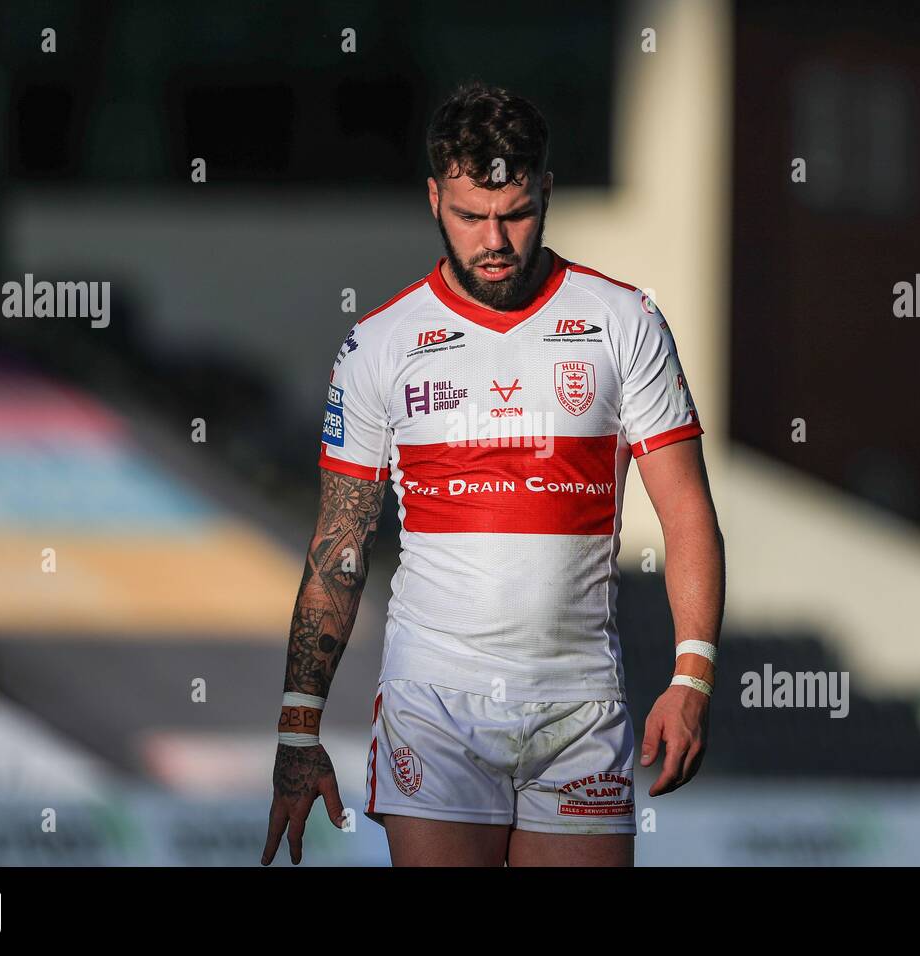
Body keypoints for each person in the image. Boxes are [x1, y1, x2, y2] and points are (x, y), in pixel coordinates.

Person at [261, 81, 726, 867]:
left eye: (515, 213)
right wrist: (299, 727)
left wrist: (693, 678)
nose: (495, 240)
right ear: (434, 198)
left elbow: (688, 515)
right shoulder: (378, 345)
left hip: (580, 709)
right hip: (433, 710)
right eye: (471, 216)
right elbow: (338, 550)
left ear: (545, 191)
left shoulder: (624, 321)